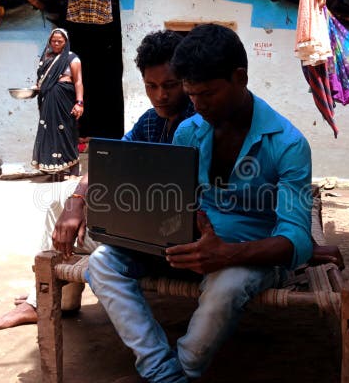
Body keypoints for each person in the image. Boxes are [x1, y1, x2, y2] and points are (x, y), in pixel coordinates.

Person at [86, 24, 315, 383]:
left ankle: (177, 372)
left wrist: (225, 255)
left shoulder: (288, 145)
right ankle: (162, 370)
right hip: (188, 247)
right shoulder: (189, 130)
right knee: (102, 261)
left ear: (240, 77)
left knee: (226, 288)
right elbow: (178, 203)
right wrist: (157, 230)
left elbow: (297, 240)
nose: (198, 105)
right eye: (191, 94)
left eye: (207, 93)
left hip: (248, 254)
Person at [0, 30, 196, 331]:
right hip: (144, 227)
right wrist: (78, 202)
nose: (160, 95)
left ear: (186, 81)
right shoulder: (151, 120)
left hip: (175, 242)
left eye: (170, 85)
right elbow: (107, 163)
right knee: (62, 204)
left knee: (80, 221)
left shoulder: (198, 122)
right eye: (151, 86)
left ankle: (42, 299)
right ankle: (56, 297)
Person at [31, 28, 84, 176]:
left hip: (64, 100)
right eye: (53, 41)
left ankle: (73, 167)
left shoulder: (72, 58)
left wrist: (79, 103)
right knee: (49, 132)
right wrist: (36, 88)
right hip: (48, 100)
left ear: (65, 42)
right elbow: (42, 80)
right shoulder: (46, 58)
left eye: (59, 41)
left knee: (66, 131)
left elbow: (78, 81)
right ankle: (56, 168)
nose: (56, 43)